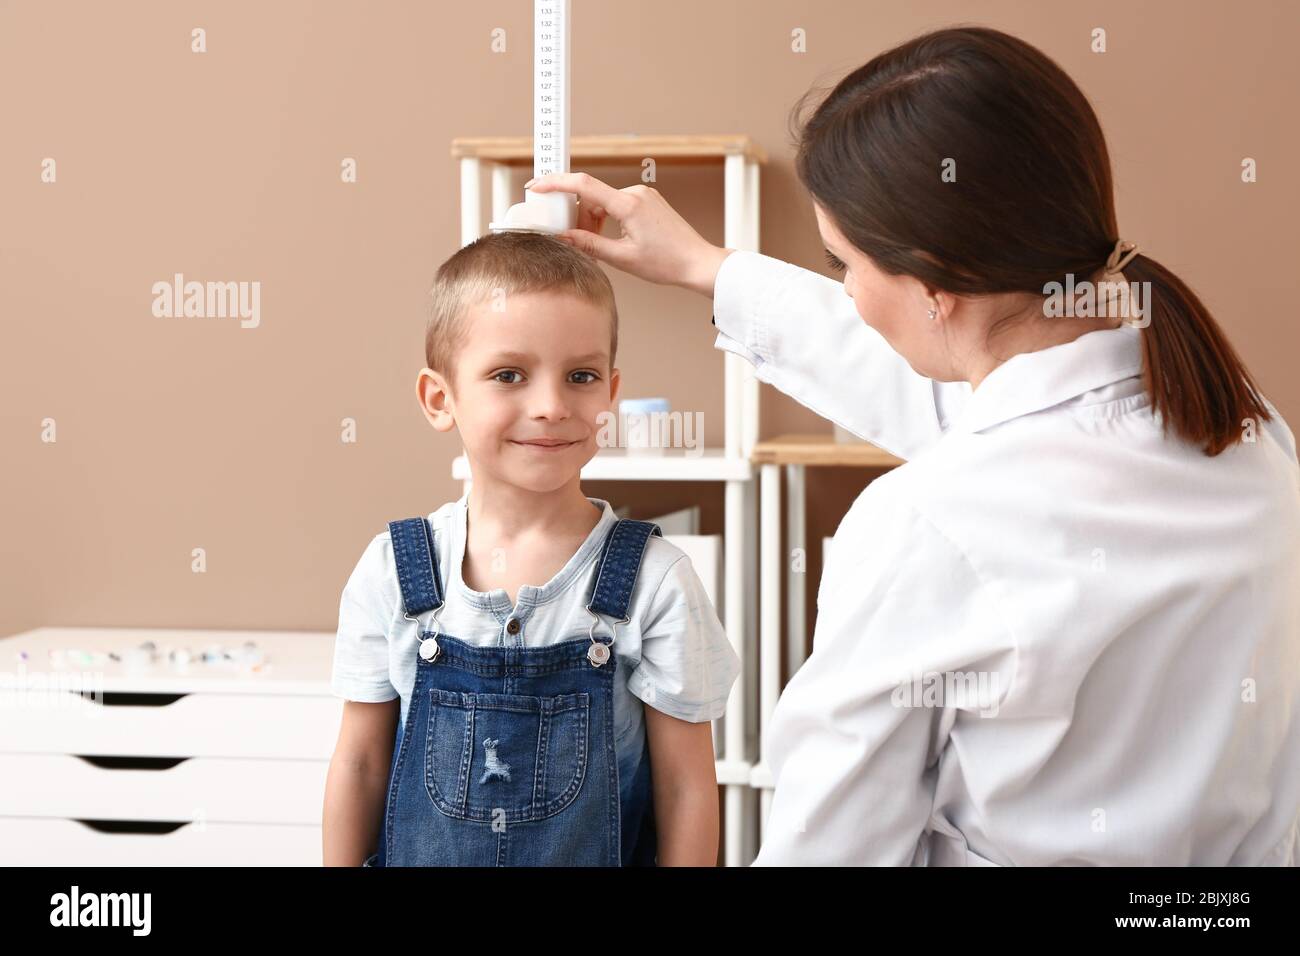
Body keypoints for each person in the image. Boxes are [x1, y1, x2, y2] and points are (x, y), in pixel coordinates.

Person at [525, 26, 1300, 865]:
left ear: (932, 284)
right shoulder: (1245, 428)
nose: (847, 293)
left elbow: (830, 851)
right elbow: (962, 390)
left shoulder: (926, 527)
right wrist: (710, 267)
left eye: (844, 264)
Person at [322, 230, 740, 866]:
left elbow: (686, 787)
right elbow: (358, 763)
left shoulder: (656, 581)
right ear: (441, 399)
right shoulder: (392, 570)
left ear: (611, 393)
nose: (550, 406)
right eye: (508, 375)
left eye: (581, 376)